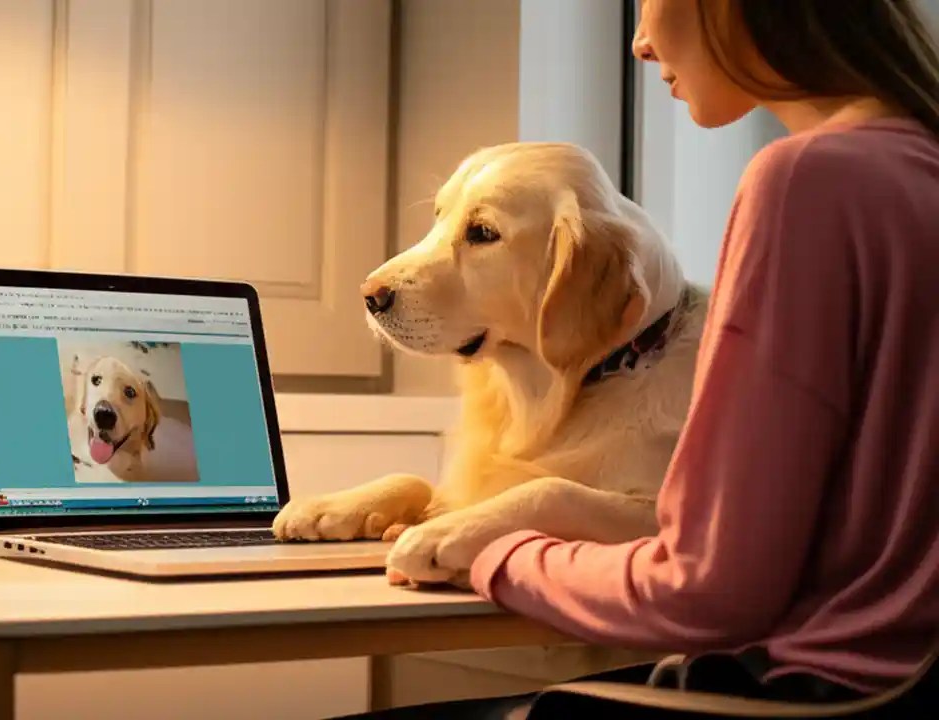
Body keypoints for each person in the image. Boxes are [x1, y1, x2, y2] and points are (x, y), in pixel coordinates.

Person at [337, 0, 939, 717]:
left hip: (801, 694)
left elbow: (705, 592)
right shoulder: (916, 168)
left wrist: (497, 552)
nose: (640, 41)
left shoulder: (806, 179)